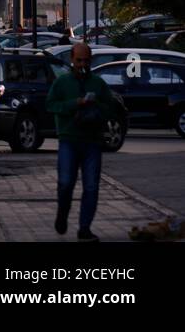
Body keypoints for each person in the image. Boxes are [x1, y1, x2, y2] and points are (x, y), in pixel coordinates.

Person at [46, 42, 117, 242]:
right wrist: (74, 104)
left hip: (92, 141)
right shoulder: (62, 82)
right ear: (71, 59)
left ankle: (84, 228)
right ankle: (63, 212)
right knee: (66, 183)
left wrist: (96, 107)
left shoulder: (98, 83)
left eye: (86, 60)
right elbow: (50, 105)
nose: (82, 64)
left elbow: (110, 109)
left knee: (92, 186)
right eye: (79, 60)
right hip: (69, 140)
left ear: (91, 60)